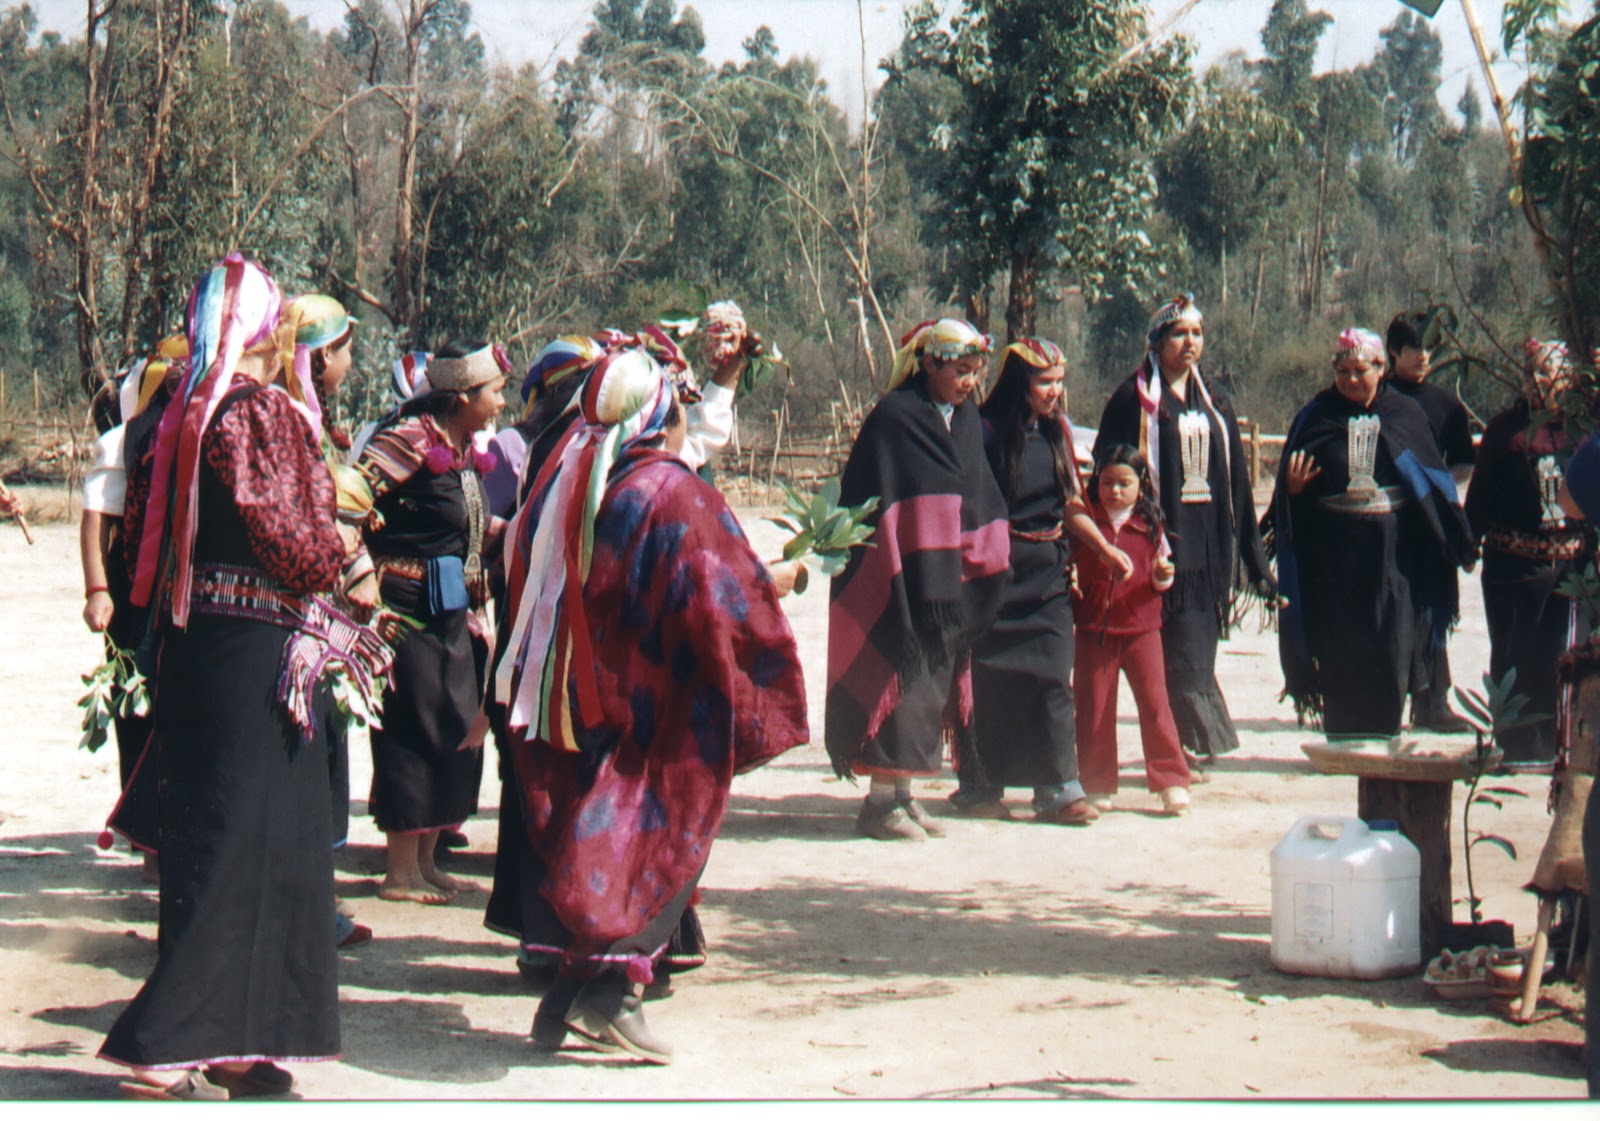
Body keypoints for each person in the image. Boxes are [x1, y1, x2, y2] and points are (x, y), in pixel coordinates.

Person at [493, 346, 807, 1063]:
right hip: (661, 708)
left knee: (609, 848)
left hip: (591, 696)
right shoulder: (667, 490)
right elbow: (716, 591)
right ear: (660, 414)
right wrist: (773, 583)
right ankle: (612, 997)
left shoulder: (575, 478)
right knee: (671, 844)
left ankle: (566, 996)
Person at [101, 253, 346, 1099]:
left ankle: (236, 1043)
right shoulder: (257, 414)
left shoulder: (178, 416)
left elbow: (137, 540)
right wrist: (342, 549)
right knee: (249, 840)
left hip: (198, 652)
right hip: (256, 656)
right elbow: (296, 542)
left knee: (219, 840)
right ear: (265, 331)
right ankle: (164, 1044)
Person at [825, 317, 1010, 840]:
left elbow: (976, 493)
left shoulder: (966, 420)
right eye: (959, 370)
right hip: (899, 578)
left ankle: (904, 795)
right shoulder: (894, 418)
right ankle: (880, 802)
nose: (969, 381)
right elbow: (871, 496)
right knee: (895, 677)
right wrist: (892, 560)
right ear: (927, 363)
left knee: (928, 690)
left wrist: (983, 552)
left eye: (975, 371)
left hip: (946, 582)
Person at [351, 339, 507, 904]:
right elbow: (350, 501)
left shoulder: (462, 450)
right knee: (409, 728)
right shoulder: (405, 442)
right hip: (404, 610)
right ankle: (398, 872)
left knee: (447, 723)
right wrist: (360, 572)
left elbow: (465, 524)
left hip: (451, 612)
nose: (501, 403)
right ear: (462, 396)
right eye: (493, 393)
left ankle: (423, 861)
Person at [1265, 328, 1475, 738]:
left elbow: (1430, 479)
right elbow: (1287, 502)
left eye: (1360, 370)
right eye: (1342, 371)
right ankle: (1343, 737)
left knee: (1390, 646)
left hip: (1392, 562)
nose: (1351, 379)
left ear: (1381, 368)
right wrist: (1291, 491)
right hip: (1334, 564)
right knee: (1340, 650)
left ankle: (1384, 736)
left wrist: (1450, 535)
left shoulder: (1406, 415)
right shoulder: (1316, 416)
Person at [1094, 294, 1274, 771]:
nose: (1190, 342)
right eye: (1179, 333)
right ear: (1156, 342)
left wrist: (1252, 559)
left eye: (1197, 333)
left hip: (1206, 549)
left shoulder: (1216, 401)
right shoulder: (1133, 400)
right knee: (1168, 652)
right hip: (1158, 547)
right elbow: (1108, 475)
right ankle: (1181, 745)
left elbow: (1236, 479)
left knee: (1196, 648)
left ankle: (1186, 744)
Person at [954, 337, 1131, 825]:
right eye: (1044, 382)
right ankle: (981, 784)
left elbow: (1073, 503)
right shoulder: (984, 431)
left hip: (1048, 572)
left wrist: (1102, 548)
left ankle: (1057, 789)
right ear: (1020, 383)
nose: (1054, 392)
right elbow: (964, 503)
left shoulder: (1058, 432)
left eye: (1059, 382)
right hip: (996, 573)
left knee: (1054, 675)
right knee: (991, 681)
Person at [284, 293, 381, 947]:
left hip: (320, 615)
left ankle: (316, 898)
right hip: (304, 621)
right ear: (320, 358)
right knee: (308, 761)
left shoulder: (310, 422)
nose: (350, 360)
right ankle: (307, 906)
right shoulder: (297, 425)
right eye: (344, 348)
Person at [80, 339, 186, 872]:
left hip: (182, 589)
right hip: (133, 594)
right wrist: (98, 589)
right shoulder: (125, 442)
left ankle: (175, 830)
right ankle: (150, 839)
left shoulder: (193, 436)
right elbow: (96, 516)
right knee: (138, 708)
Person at [1467, 340, 1591, 771]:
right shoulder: (1504, 430)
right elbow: (1479, 496)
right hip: (1511, 571)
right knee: (1512, 655)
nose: (1538, 382)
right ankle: (1512, 747)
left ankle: (1556, 749)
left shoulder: (1583, 430)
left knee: (1560, 657)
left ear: (1570, 377)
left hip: (1570, 571)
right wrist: (1465, 543)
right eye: (1531, 372)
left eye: (1549, 372)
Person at [1074, 445, 1192, 815]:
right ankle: (1095, 782)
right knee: (1093, 707)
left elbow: (1162, 573)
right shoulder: (1085, 520)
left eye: (1124, 483)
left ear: (1141, 485)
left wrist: (1161, 579)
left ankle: (1171, 781)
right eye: (1106, 482)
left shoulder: (1149, 523)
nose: (1114, 491)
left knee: (1156, 705)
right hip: (1094, 629)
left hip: (1143, 629)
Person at [1385, 313, 1475, 732]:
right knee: (1390, 608)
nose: (1423, 356)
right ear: (1392, 352)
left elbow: (1460, 463)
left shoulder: (1446, 405)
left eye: (1429, 348)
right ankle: (1379, 700)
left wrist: (1433, 491)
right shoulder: (1376, 396)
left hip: (1432, 525)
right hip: (1388, 525)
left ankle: (1432, 701)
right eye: (1414, 348)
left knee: (1431, 610)